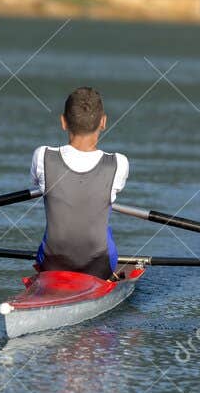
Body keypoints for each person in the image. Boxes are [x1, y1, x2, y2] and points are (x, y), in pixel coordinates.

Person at [31, 87, 129, 280]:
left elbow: (37, 183)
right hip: (100, 266)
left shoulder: (42, 155)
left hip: (50, 262)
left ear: (63, 121)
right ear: (103, 122)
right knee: (103, 221)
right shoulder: (119, 162)